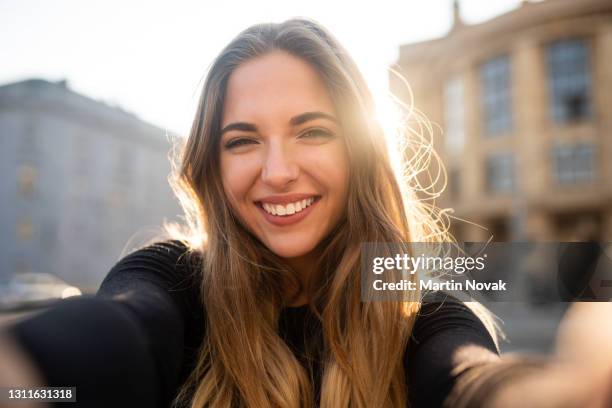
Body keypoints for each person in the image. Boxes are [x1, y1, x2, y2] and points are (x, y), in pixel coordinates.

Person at [0, 18, 610, 408]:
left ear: (360, 153)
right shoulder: (176, 278)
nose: (277, 170)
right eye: (241, 140)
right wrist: (29, 378)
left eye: (311, 131)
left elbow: (461, 375)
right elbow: (115, 339)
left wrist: (545, 393)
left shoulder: (405, 288)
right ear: (211, 167)